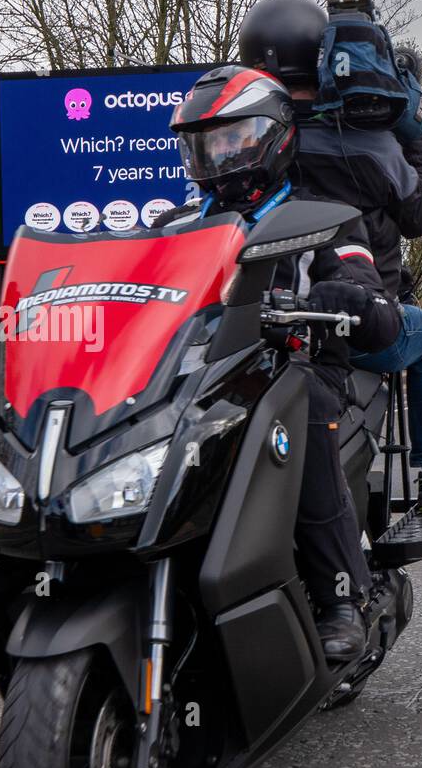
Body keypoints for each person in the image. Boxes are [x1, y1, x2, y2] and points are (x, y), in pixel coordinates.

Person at [165, 67, 399, 662]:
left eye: (229, 138)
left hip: (296, 368)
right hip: (199, 378)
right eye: (202, 142)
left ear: (271, 138)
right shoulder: (175, 227)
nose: (216, 155)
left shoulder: (320, 217)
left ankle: (342, 594)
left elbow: (370, 294)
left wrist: (347, 294)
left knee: (303, 407)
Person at [239, 0, 422, 513]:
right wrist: (416, 140)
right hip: (357, 314)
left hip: (261, 320)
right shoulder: (370, 143)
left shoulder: (255, 139)